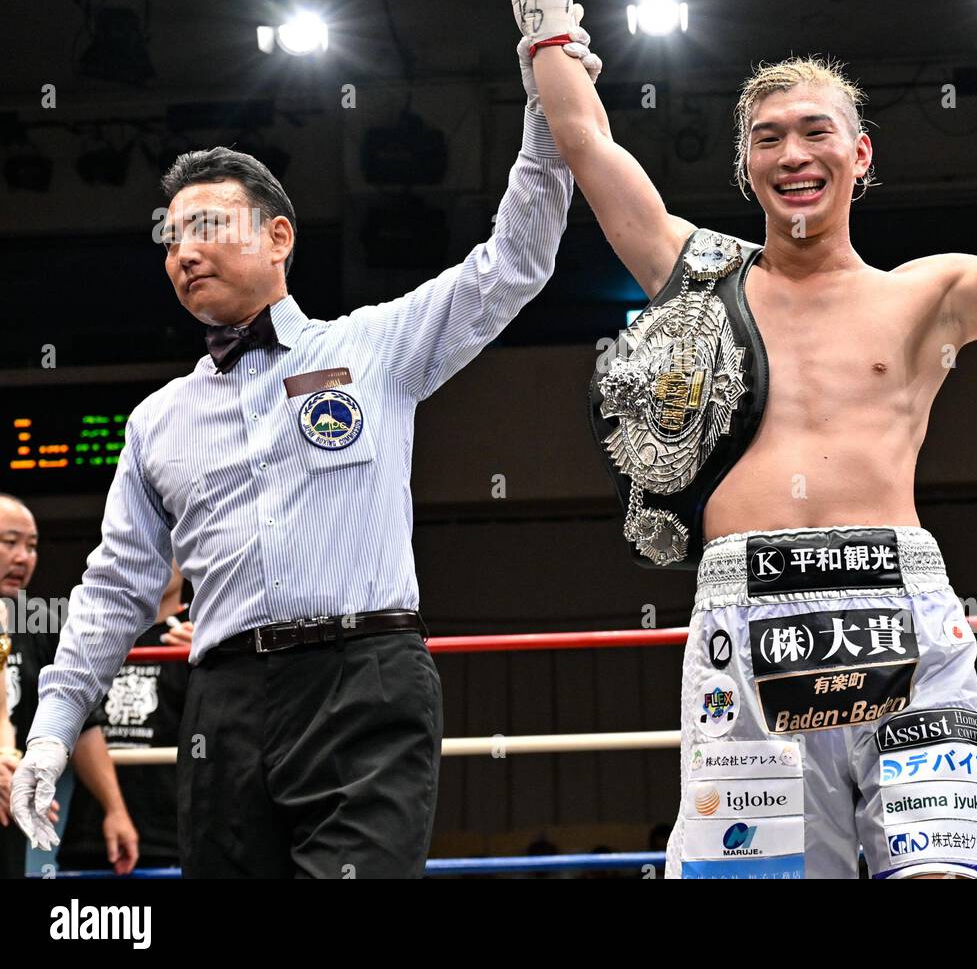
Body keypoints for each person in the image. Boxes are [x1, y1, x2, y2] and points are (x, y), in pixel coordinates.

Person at [467, 0, 977, 878]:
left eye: (815, 131)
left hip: (898, 597)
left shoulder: (928, 295)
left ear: (859, 155)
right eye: (768, 137)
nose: (793, 152)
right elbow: (584, 140)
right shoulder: (694, 274)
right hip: (747, 612)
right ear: (745, 166)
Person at [7, 67, 601, 875]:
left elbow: (515, 263)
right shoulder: (157, 420)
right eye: (170, 238)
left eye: (208, 226)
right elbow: (116, 589)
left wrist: (545, 103)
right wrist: (50, 727)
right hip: (224, 704)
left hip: (365, 683)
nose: (183, 252)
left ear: (279, 237)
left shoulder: (373, 347)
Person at [0, 493, 139, 878]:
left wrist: (115, 809)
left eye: (31, 546)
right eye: (9, 542)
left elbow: (81, 722)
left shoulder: (34, 625)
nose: (23, 557)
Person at [56, 560, 192, 873]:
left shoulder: (209, 631)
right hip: (90, 834)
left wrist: (214, 657)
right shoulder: (90, 635)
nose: (156, 554)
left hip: (173, 835)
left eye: (168, 544)